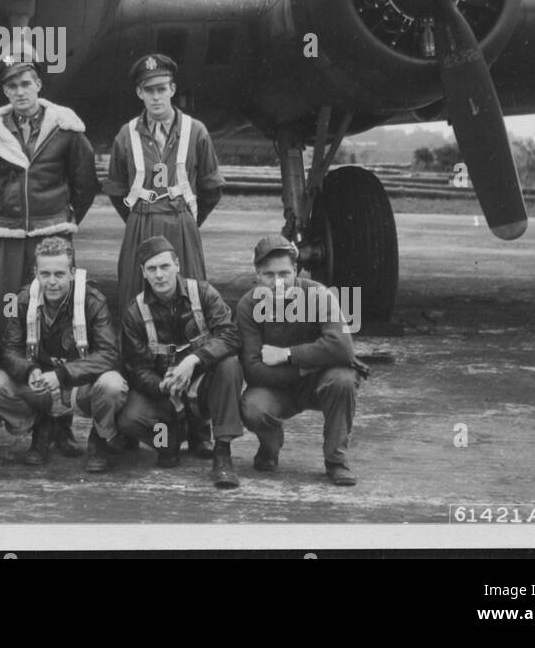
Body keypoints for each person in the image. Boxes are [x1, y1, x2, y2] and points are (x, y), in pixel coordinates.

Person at [0, 46, 99, 354]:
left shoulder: (66, 130)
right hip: (6, 233)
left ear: (38, 84)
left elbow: (86, 183)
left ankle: (58, 361)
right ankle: (2, 364)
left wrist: (62, 217)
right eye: (12, 86)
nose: (20, 92)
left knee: (54, 299)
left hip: (51, 230)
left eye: (26, 83)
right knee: (5, 304)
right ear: (4, 90)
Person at [0, 237, 129, 473]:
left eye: (59, 274)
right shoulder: (20, 300)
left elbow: (109, 354)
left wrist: (62, 374)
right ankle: (42, 425)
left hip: (79, 387)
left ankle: (99, 439)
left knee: (112, 385)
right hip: (40, 386)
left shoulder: (93, 302)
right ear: (35, 273)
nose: (52, 282)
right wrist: (29, 370)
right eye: (45, 274)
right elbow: (9, 349)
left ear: (72, 272)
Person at [236, 235, 367, 486]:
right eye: (269, 275)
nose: (278, 282)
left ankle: (336, 461)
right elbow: (253, 370)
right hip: (275, 387)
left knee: (343, 379)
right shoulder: (248, 305)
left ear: (296, 270)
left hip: (318, 382)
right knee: (253, 407)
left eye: (285, 273)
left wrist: (287, 355)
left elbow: (343, 348)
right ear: (257, 274)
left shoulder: (318, 293)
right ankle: (270, 446)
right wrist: (307, 368)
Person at [117, 235, 244, 488]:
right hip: (164, 393)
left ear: (177, 265)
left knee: (230, 365)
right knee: (130, 419)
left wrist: (194, 360)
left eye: (165, 267)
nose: (160, 275)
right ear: (143, 273)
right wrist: (162, 386)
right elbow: (136, 369)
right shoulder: (134, 313)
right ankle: (171, 440)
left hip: (203, 384)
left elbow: (230, 335)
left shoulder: (204, 293)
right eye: (152, 269)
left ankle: (222, 454)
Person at [105, 53, 223, 310]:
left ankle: (190, 350)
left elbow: (211, 188)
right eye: (149, 90)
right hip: (141, 222)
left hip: (181, 222)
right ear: (139, 92)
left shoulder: (196, 131)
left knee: (189, 295)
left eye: (161, 89)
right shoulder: (126, 135)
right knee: (135, 295)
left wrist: (188, 220)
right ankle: (138, 350)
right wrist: (139, 216)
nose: (156, 97)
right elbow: (115, 189)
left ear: (172, 89)